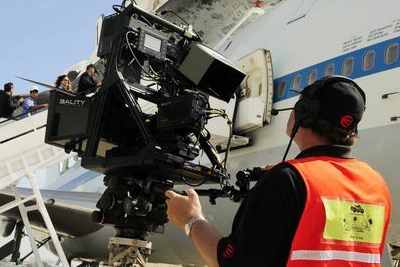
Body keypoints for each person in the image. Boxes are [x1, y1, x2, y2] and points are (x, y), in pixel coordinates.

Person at [165, 76, 391, 266]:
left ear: (304, 113)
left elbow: (232, 262)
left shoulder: (287, 181)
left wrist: (191, 219)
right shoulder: (376, 185)